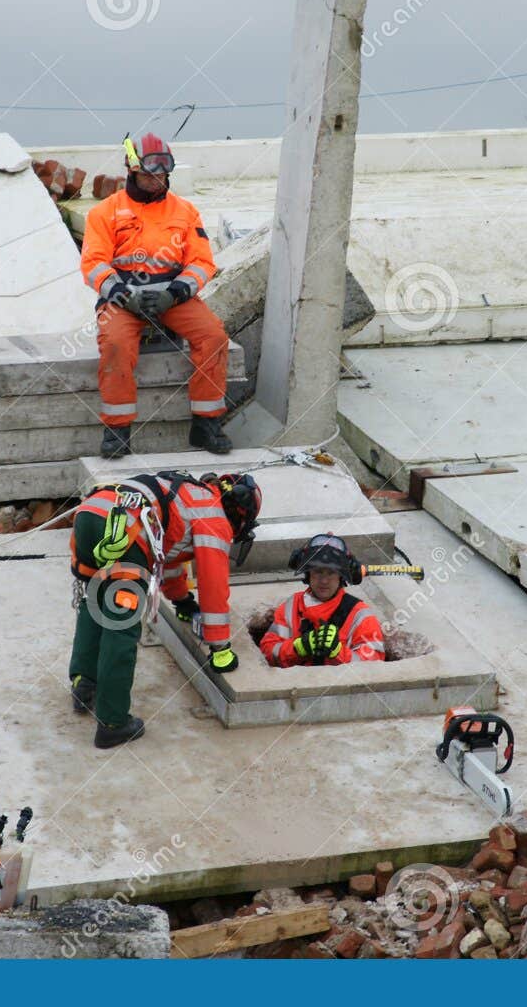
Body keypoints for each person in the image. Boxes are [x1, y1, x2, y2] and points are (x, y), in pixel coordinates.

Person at [68, 469, 261, 747]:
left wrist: (181, 600)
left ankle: (83, 683)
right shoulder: (214, 518)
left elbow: (165, 558)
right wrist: (220, 649)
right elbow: (213, 585)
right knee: (121, 626)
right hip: (125, 532)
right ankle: (113, 724)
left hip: (91, 515)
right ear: (242, 515)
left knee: (95, 601)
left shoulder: (190, 496)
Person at [80, 131, 232, 458]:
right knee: (117, 344)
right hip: (122, 298)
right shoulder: (104, 213)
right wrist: (122, 294)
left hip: (171, 295)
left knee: (213, 336)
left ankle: (207, 425)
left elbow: (202, 262)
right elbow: (93, 264)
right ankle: (117, 431)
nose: (158, 178)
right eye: (151, 172)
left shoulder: (185, 212)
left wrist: (175, 293)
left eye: (163, 172)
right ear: (132, 169)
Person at [259, 533, 386, 667]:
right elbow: (267, 651)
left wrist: (338, 652)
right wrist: (298, 648)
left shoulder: (360, 615)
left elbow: (374, 663)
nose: (324, 581)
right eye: (318, 571)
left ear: (341, 577)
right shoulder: (291, 606)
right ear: (308, 574)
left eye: (331, 573)